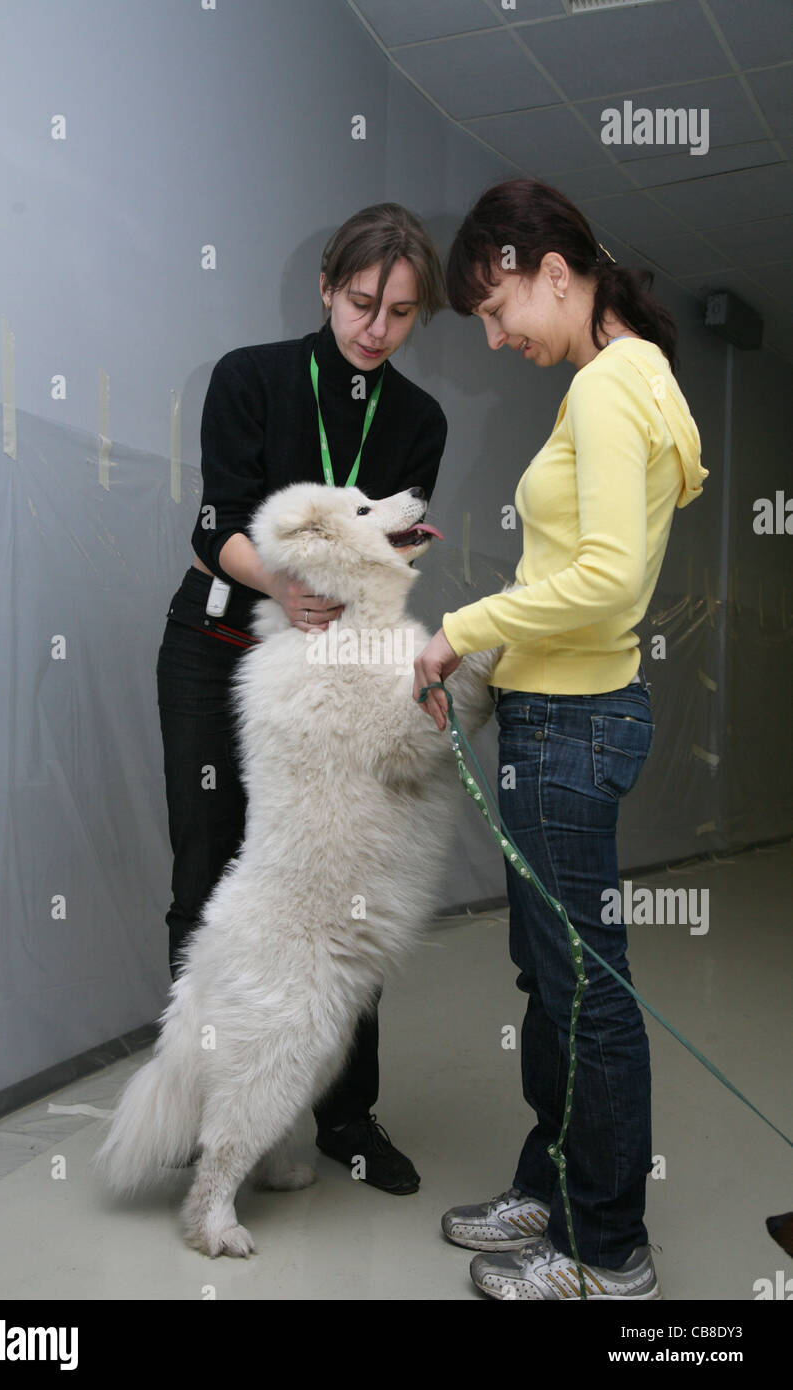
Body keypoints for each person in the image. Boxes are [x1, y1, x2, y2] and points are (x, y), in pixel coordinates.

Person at [412, 178, 707, 1299]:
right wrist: (489, 670)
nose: (495, 337)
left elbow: (603, 581)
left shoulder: (609, 383)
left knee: (586, 989)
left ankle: (605, 1250)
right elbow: (575, 576)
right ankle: (551, 1176)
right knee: (552, 976)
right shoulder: (627, 380)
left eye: (497, 310)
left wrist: (454, 634)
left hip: (572, 724)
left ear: (551, 269)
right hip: (555, 717)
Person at [156, 203, 449, 1195]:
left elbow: (388, 563)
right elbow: (216, 522)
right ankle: (211, 1113)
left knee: (341, 892)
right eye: (363, 301)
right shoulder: (250, 378)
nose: (376, 326)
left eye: (400, 313)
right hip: (218, 649)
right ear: (327, 286)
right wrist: (278, 585)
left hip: (333, 681)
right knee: (208, 873)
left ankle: (345, 1116)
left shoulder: (418, 422)